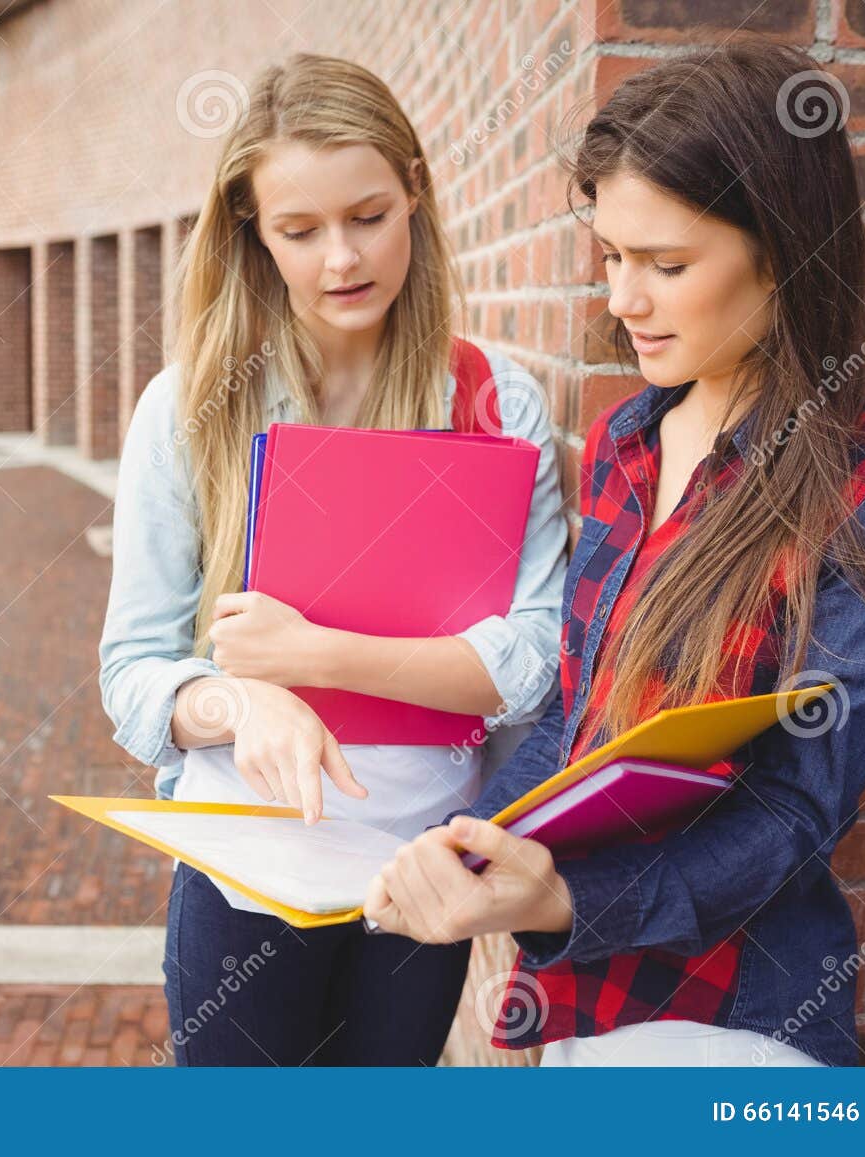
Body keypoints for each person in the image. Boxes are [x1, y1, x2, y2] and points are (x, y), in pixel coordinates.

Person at [365, 38, 865, 1068]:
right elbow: (573, 706)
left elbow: (790, 815)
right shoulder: (623, 443)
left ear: (780, 250)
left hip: (729, 1022)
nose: (621, 299)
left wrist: (563, 894)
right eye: (609, 256)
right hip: (572, 1000)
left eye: (666, 264)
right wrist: (471, 834)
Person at [98, 53, 569, 1066]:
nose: (339, 259)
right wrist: (242, 701)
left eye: (367, 215)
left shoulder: (495, 401)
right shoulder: (186, 412)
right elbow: (132, 671)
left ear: (415, 192)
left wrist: (311, 655)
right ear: (254, 236)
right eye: (298, 230)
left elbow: (531, 663)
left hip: (419, 876)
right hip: (242, 876)